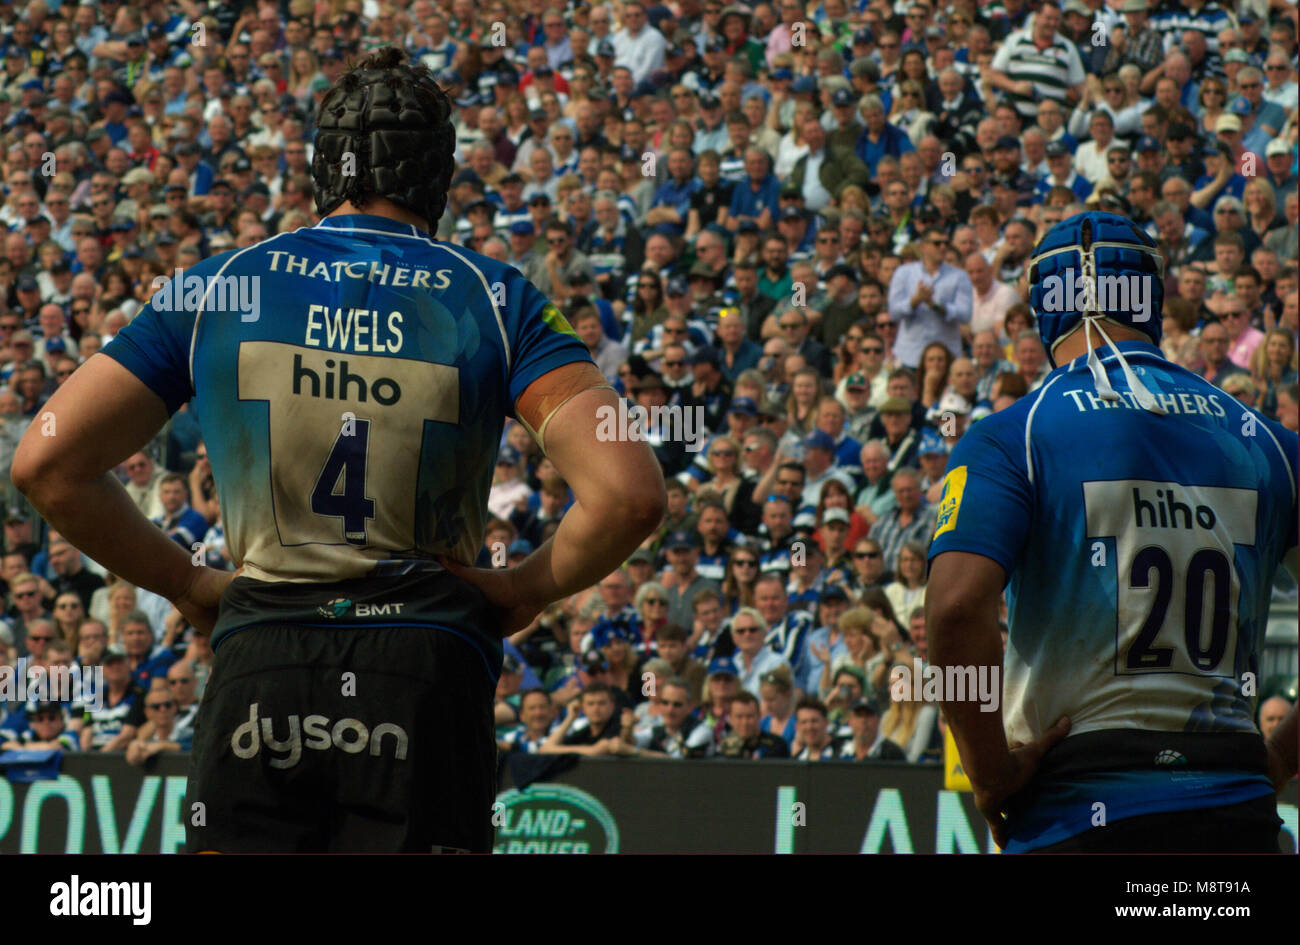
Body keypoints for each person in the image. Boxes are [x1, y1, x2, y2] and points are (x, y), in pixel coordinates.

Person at [13, 48, 666, 855]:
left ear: (325, 167)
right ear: (439, 174)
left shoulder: (222, 286)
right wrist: (522, 587)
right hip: (426, 666)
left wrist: (183, 580)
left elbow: (47, 464)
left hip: (263, 660)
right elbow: (630, 494)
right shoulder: (496, 299)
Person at [927, 212, 1298, 853]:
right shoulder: (1267, 441)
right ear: (1150, 298)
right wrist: (1278, 759)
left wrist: (989, 774)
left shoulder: (1011, 435)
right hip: (1234, 808)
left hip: (1078, 805)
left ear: (1048, 305)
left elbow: (956, 609)